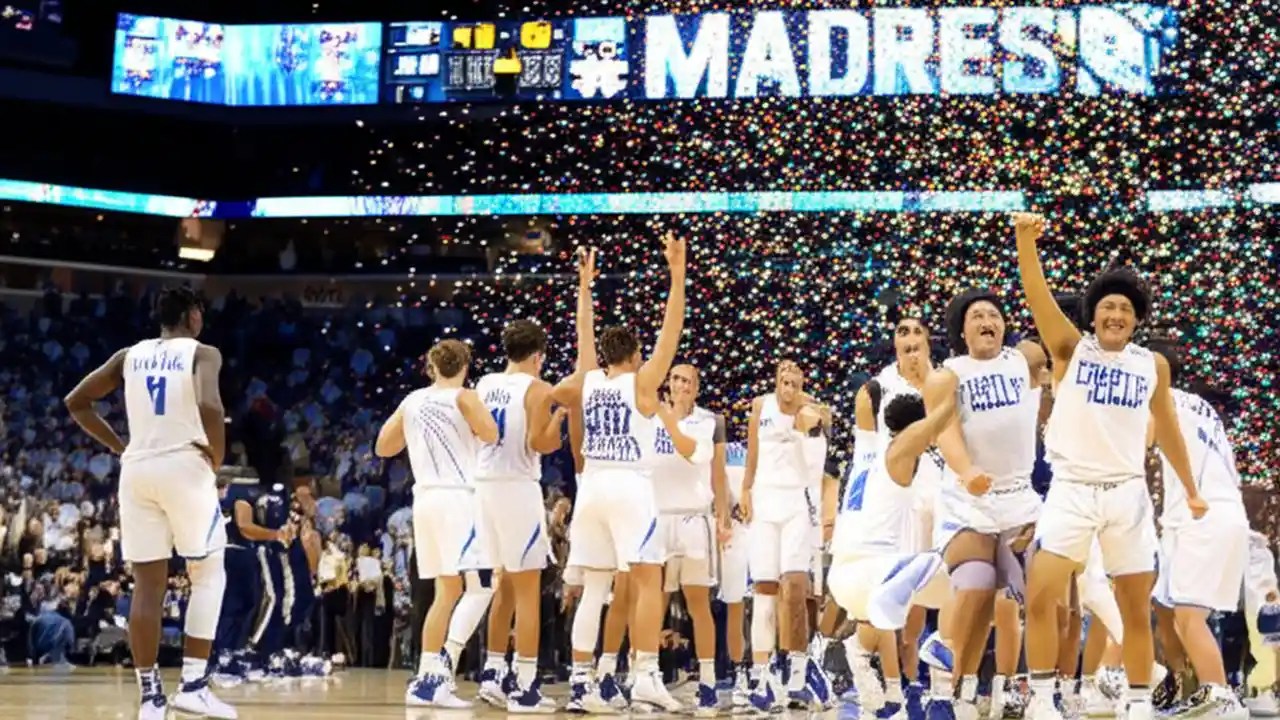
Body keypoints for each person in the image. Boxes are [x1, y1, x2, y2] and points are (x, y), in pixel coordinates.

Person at [1010, 212, 1207, 720]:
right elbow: (1037, 296)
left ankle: (1139, 703)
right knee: (1041, 595)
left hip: (1127, 493)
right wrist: (1025, 242)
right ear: (1093, 315)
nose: (1116, 313)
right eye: (1107, 306)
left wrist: (1190, 489)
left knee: (1133, 606)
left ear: (1137, 318)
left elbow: (1166, 428)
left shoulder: (1152, 365)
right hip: (1072, 487)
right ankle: (1041, 699)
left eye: (1125, 308)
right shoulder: (1071, 349)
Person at [63, 286, 235, 720]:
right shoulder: (202, 353)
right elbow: (209, 404)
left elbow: (77, 402)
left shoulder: (128, 355)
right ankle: (193, 686)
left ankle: (150, 698)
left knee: (148, 584)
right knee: (208, 570)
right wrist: (215, 458)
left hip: (137, 470)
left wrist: (121, 447)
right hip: (184, 463)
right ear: (193, 315)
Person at [552, 234, 688, 713]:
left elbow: (581, 338)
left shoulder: (588, 379)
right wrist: (677, 274)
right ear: (633, 356)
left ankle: (582, 683)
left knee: (593, 587)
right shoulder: (642, 381)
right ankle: (646, 674)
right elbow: (672, 331)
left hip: (592, 488)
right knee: (648, 581)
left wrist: (585, 288)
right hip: (630, 486)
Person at [924, 288, 1047, 720]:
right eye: (976, 316)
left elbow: (1058, 347)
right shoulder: (947, 375)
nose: (986, 321)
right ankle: (947, 691)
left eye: (993, 314)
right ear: (963, 329)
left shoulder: (1023, 358)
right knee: (976, 588)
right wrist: (965, 470)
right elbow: (945, 431)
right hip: (968, 500)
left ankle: (1053, 692)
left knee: (1046, 592)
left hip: (1020, 500)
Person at [375, 339, 499, 708]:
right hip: (458, 498)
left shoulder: (412, 401)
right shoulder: (465, 396)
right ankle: (443, 667)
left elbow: (383, 447)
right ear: (466, 364)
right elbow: (491, 433)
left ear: (431, 368)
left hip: (424, 501)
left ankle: (427, 679)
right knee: (482, 587)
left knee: (446, 593)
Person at [827, 386, 956, 720]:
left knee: (928, 587)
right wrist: (950, 400)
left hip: (849, 577)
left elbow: (861, 401)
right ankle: (937, 648)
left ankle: (859, 652)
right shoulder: (900, 455)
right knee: (960, 567)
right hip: (872, 572)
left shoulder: (867, 450)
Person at [1146, 338, 1249, 719]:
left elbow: (1137, 443)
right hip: (1221, 514)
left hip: (1201, 515)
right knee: (1163, 603)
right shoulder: (1203, 406)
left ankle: (1219, 696)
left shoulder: (1159, 400)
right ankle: (1181, 682)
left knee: (1189, 617)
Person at [473, 318, 566, 713]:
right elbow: (538, 442)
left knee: (504, 587)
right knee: (528, 592)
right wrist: (559, 420)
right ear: (538, 356)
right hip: (516, 488)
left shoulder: (484, 384)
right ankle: (526, 686)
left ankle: (493, 674)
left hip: (483, 487)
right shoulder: (538, 388)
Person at [740, 360, 833, 711]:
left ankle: (797, 672)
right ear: (776, 379)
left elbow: (821, 447)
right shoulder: (760, 406)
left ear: (801, 383)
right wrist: (746, 489)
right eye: (783, 375)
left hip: (797, 504)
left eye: (794, 376)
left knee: (794, 589)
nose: (788, 381)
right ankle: (761, 675)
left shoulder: (814, 413)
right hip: (765, 503)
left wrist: (805, 410)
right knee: (764, 592)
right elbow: (753, 453)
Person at [651, 363, 729, 716]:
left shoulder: (709, 422)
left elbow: (716, 476)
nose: (681, 385)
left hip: (693, 519)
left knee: (698, 605)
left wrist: (723, 518)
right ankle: (647, 678)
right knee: (654, 604)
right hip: (658, 517)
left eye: (688, 381)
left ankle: (708, 685)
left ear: (696, 389)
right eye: (676, 379)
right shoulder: (651, 416)